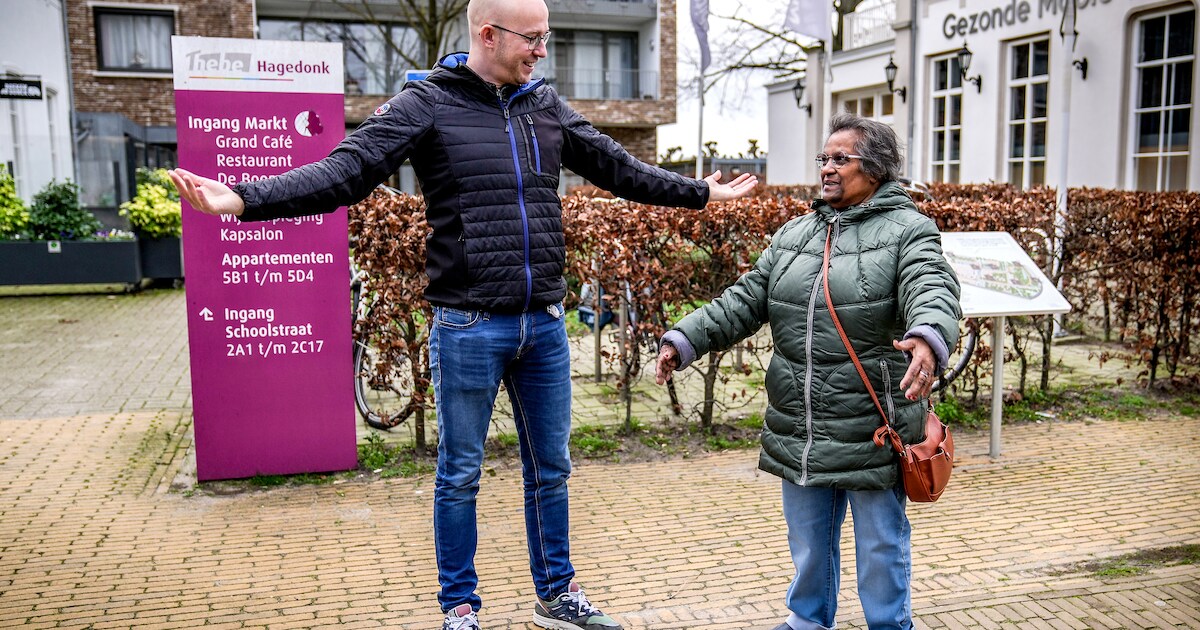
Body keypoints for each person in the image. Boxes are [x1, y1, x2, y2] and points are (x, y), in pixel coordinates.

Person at [169, 0, 757, 628]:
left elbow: (620, 167)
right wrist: (241, 199)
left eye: (546, 37)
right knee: (458, 475)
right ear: (487, 34)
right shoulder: (426, 103)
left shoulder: (544, 106)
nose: (541, 50)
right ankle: (460, 607)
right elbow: (346, 171)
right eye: (531, 39)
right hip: (469, 325)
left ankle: (557, 596)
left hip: (546, 324)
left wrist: (702, 193)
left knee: (551, 469)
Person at [654, 113, 960, 630]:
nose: (827, 168)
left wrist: (929, 338)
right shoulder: (797, 233)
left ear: (877, 168)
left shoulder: (909, 230)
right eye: (824, 158)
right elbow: (746, 299)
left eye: (841, 158)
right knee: (809, 543)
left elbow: (933, 286)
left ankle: (889, 624)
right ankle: (808, 621)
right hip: (801, 422)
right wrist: (684, 340)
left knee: (881, 546)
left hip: (873, 423)